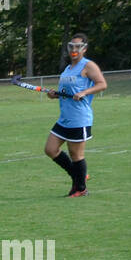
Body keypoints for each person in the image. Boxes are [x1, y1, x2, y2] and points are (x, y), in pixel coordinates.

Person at [44, 33, 107, 197]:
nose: (74, 49)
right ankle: (79, 176)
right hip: (64, 118)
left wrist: (85, 92)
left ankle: (80, 188)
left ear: (84, 49)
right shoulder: (68, 68)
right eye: (71, 46)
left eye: (78, 47)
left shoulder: (88, 66)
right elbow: (66, 91)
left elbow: (102, 84)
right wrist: (55, 94)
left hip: (79, 118)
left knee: (76, 155)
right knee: (50, 149)